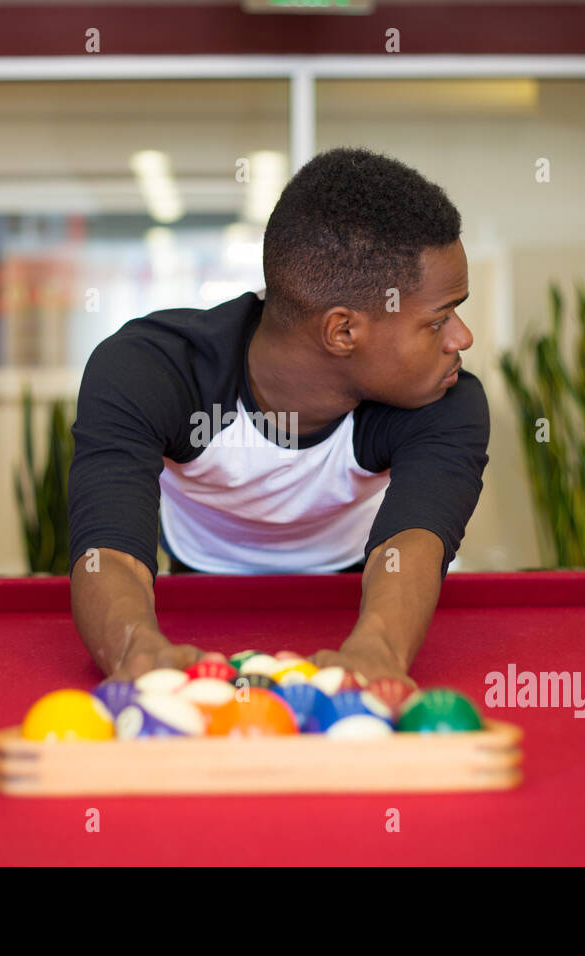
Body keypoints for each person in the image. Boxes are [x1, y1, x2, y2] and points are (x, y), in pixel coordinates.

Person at [67, 147, 489, 686]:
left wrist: (379, 651)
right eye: (438, 320)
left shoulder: (445, 397)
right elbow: (111, 555)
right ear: (343, 331)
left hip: (358, 582)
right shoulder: (148, 371)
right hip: (198, 584)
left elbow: (412, 545)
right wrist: (133, 649)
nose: (462, 338)